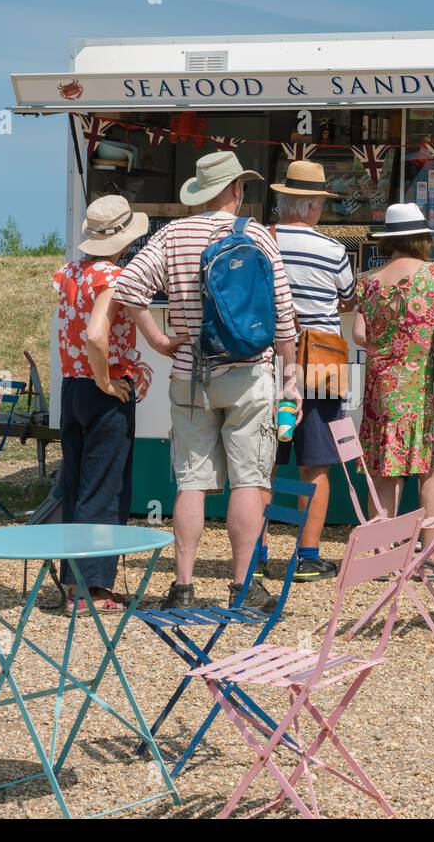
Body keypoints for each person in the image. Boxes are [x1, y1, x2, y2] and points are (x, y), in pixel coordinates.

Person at [108, 151, 299, 611]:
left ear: (200, 191)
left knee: (191, 483)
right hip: (249, 373)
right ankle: (242, 587)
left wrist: (156, 338)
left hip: (190, 375)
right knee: (249, 481)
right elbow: (284, 313)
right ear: (236, 189)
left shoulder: (171, 234)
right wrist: (291, 375)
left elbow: (128, 287)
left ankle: (184, 587)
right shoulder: (255, 235)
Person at [53, 195, 179, 612]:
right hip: (102, 388)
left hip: (72, 388)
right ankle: (94, 590)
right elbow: (96, 334)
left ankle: (74, 583)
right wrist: (107, 380)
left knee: (76, 484)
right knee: (105, 487)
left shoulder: (71, 272)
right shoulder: (114, 276)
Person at [353, 202, 434, 580]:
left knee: (385, 472)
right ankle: (430, 559)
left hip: (383, 389)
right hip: (427, 389)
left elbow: (358, 334)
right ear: (422, 238)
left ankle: (382, 558)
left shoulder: (368, 280)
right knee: (432, 472)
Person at [258, 159, 355, 582]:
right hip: (322, 366)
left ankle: (255, 552)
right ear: (314, 207)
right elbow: (348, 298)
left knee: (262, 463)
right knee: (316, 463)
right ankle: (307, 556)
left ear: (283, 203)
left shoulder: (262, 242)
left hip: (267, 363)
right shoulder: (333, 251)